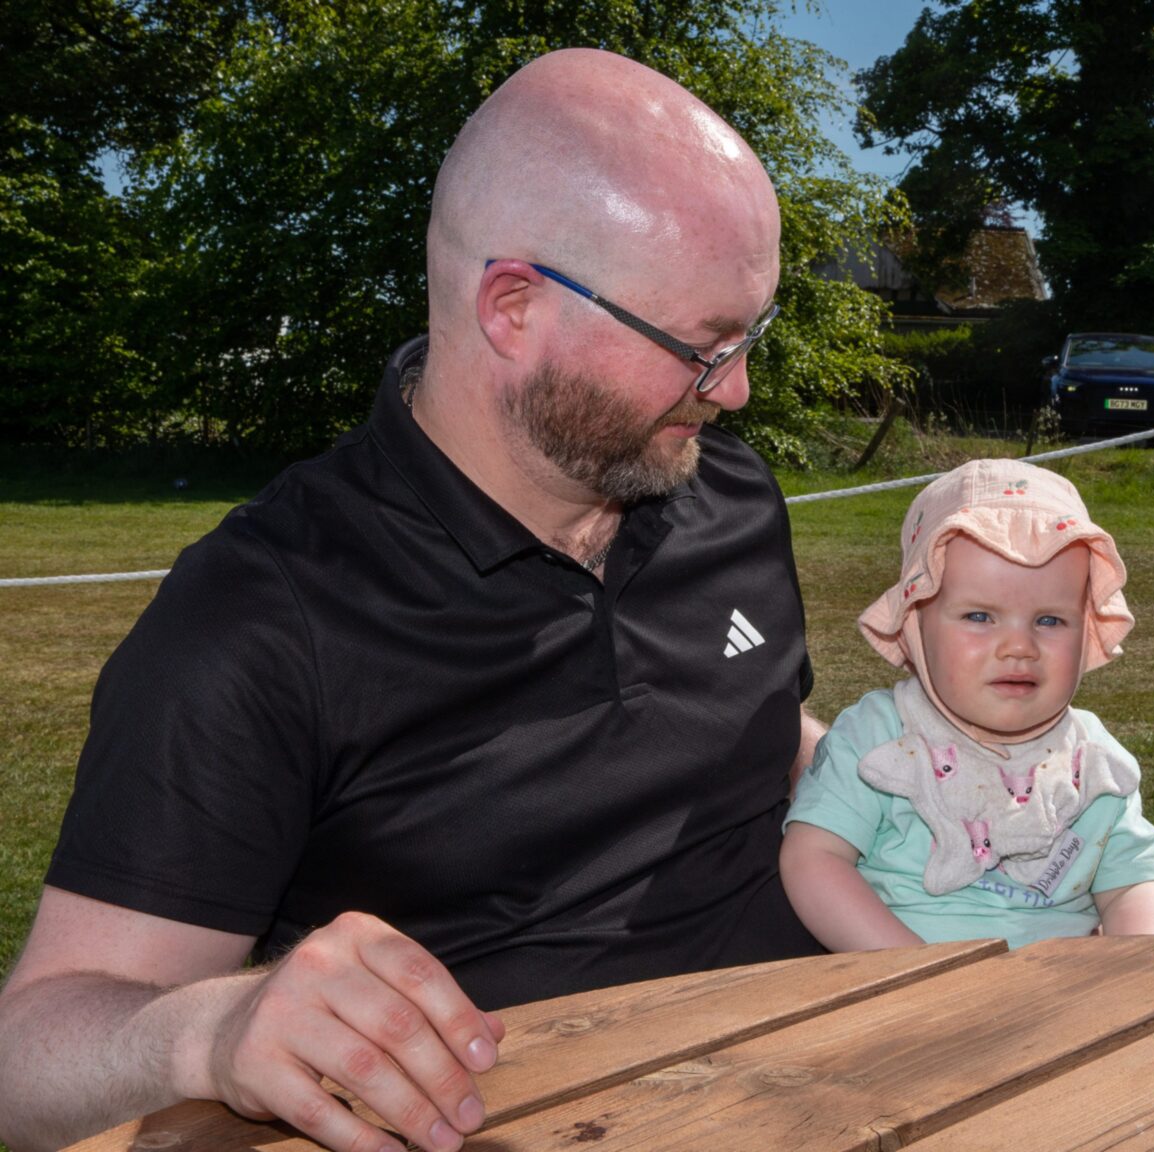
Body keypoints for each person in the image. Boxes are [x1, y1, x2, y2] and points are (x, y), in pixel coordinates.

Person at [0, 48, 826, 1152]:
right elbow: (27, 1051)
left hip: (837, 1075)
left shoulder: (725, 490)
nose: (736, 390)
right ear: (515, 307)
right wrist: (211, 1030)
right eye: (701, 347)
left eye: (747, 338)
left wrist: (925, 769)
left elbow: (764, 741)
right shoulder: (260, 618)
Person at [780, 460, 1154, 951]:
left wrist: (1135, 970)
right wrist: (915, 971)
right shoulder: (878, 736)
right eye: (979, 616)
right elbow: (813, 860)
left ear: (1087, 629)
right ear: (916, 624)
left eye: (1050, 621)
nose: (1019, 646)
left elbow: (1132, 887)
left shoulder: (1093, 760)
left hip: (1059, 997)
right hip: (901, 990)